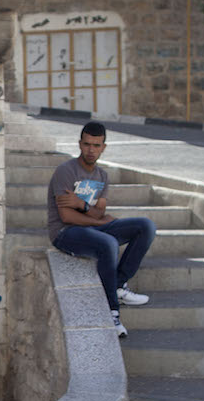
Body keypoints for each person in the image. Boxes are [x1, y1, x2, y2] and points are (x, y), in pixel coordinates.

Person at [47, 121, 157, 338]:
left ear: (103, 147)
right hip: (65, 233)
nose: (91, 150)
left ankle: (117, 284)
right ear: (80, 144)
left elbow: (98, 212)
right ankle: (112, 312)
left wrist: (82, 205)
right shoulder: (65, 172)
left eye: (96, 145)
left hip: (90, 227)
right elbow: (66, 216)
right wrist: (97, 219)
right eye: (87, 144)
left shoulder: (102, 176)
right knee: (108, 243)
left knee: (145, 226)